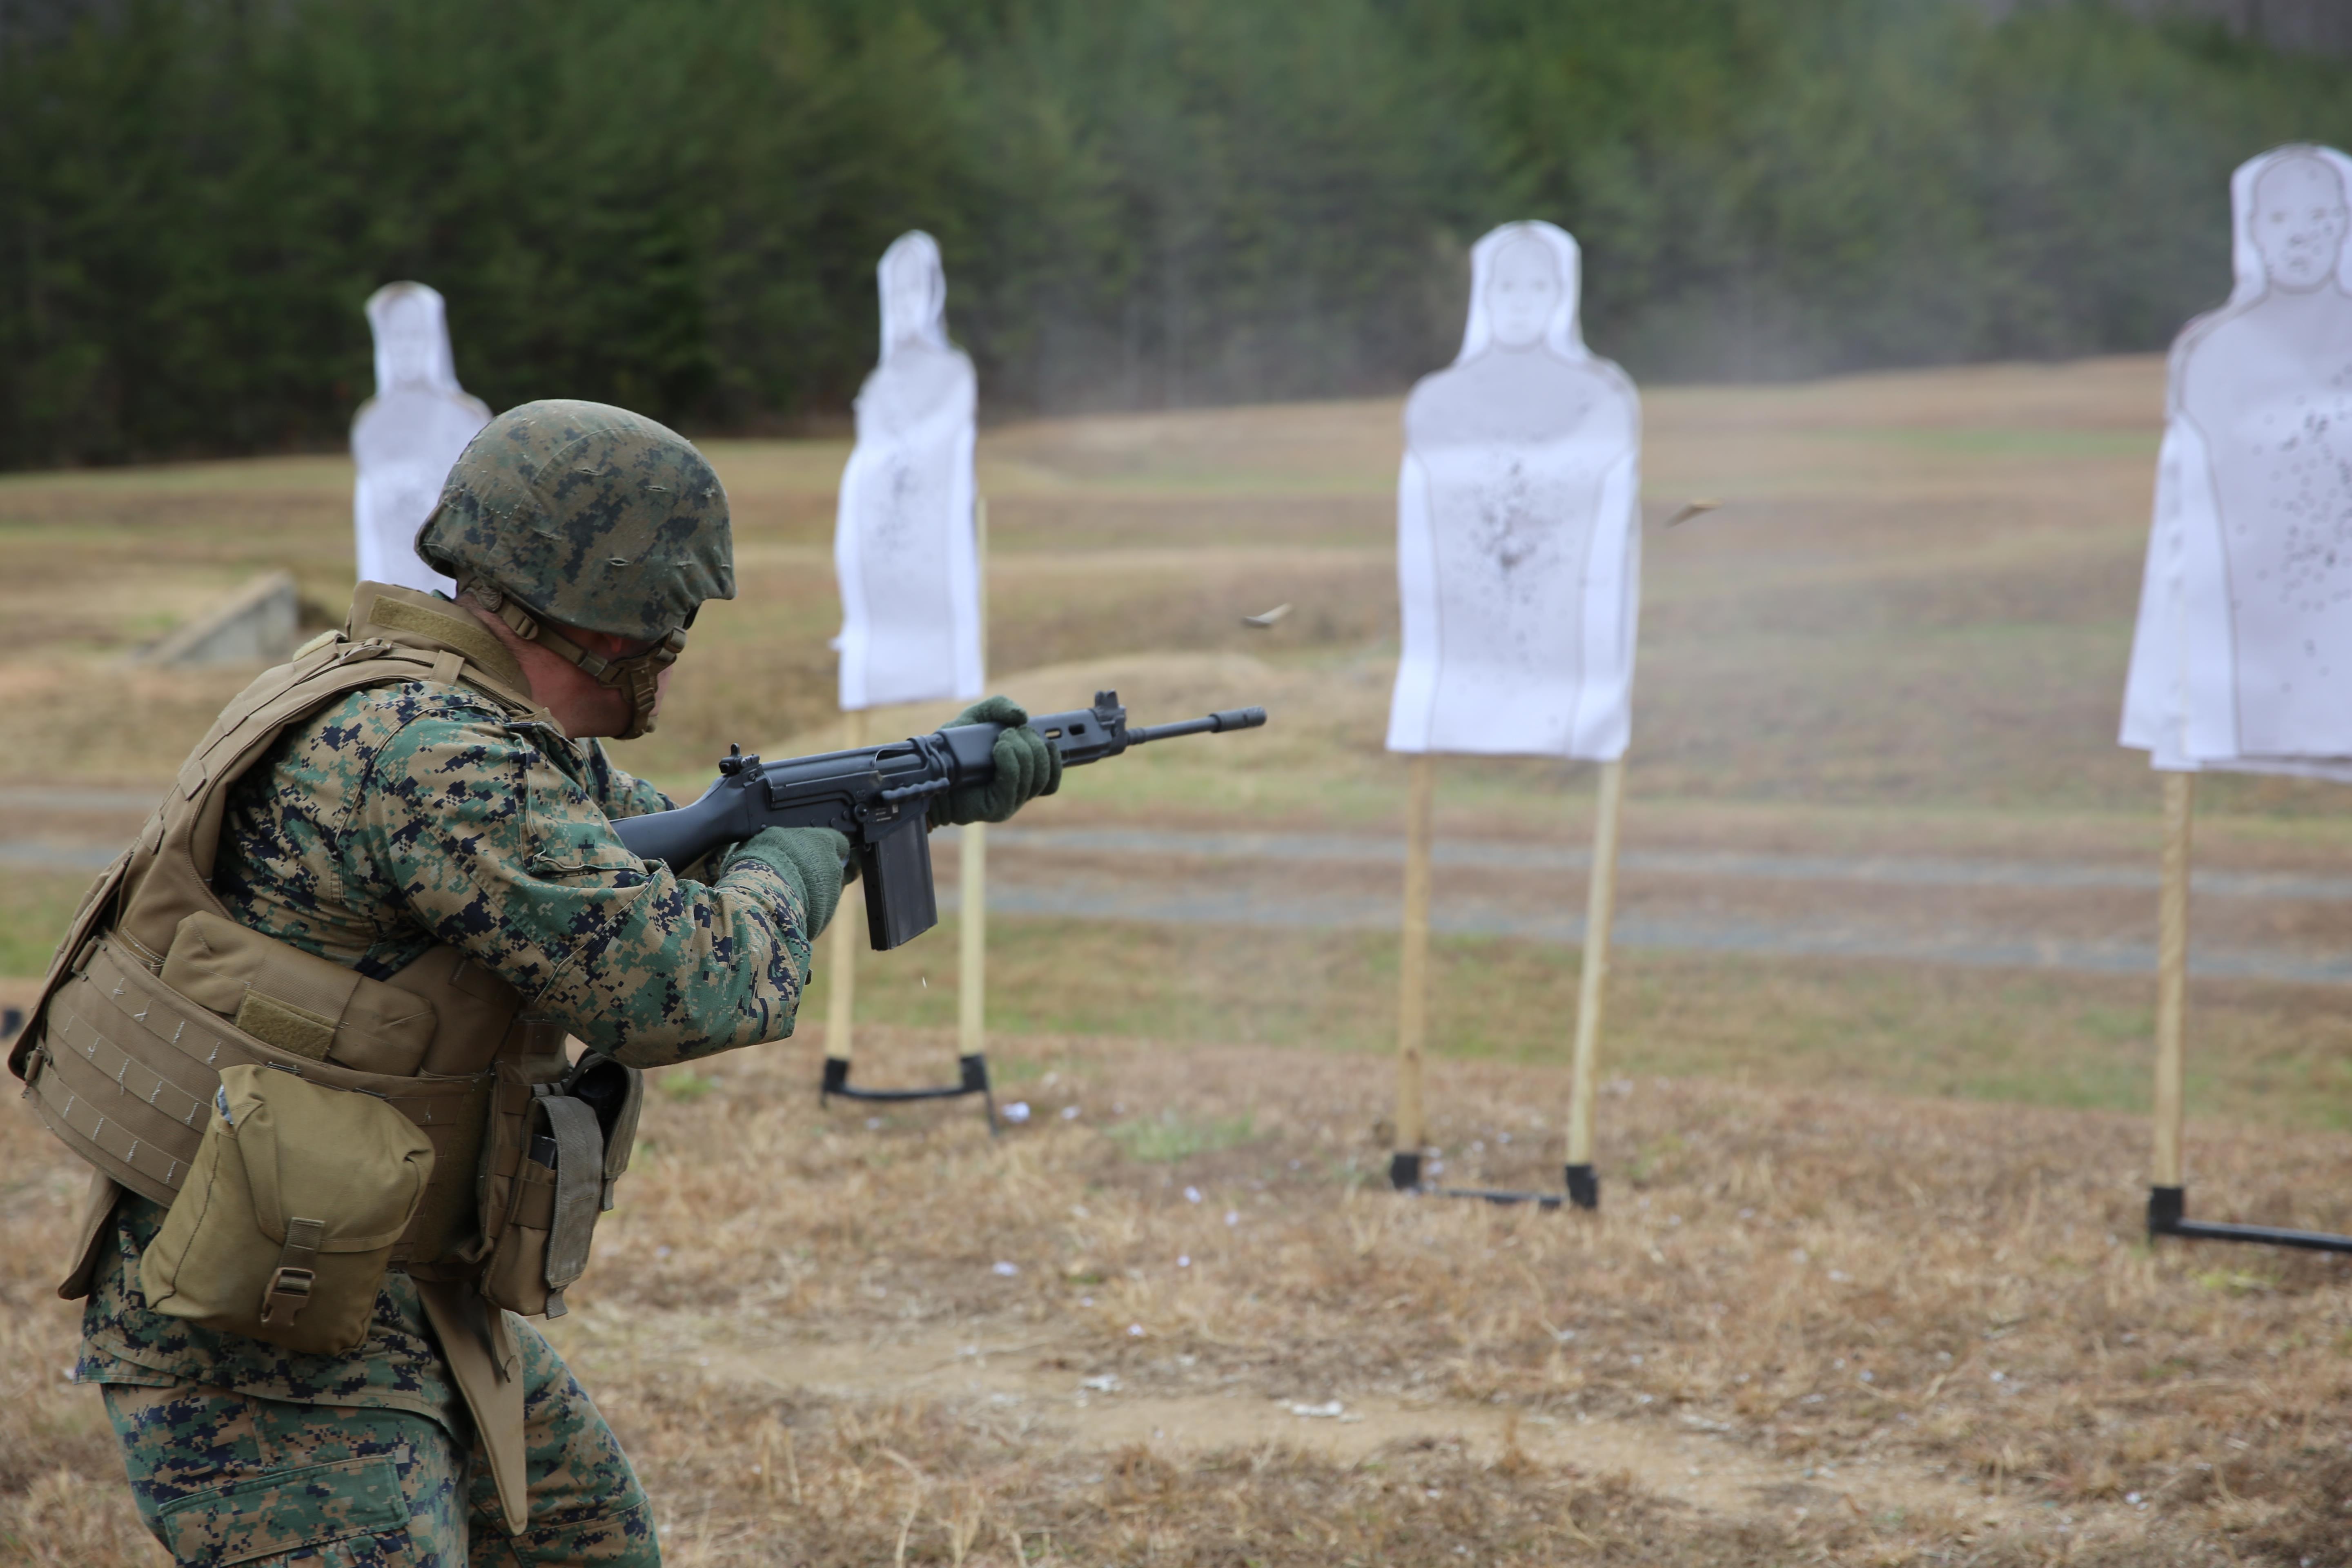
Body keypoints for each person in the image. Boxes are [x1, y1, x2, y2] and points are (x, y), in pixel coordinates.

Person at [8, 399, 1058, 1566]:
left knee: (595, 1547)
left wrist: (904, 792)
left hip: (377, 1281)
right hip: (261, 1347)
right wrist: (808, 855)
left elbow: (649, 848)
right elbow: (696, 986)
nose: (682, 645)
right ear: (615, 616)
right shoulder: (441, 761)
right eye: (677, 615)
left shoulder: (427, 701)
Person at [1388, 220, 1641, 761]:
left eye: (1537, 288)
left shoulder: (1603, 397)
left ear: (1561, 294)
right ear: (1485, 294)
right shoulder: (1438, 401)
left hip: (1558, 627)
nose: (1521, 304)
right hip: (1471, 631)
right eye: (1507, 287)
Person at [2173, 148, 2352, 757]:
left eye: (2321, 217)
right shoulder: (2215, 353)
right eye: (2281, 219)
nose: (2303, 235)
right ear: (2254, 229)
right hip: (2262, 619)